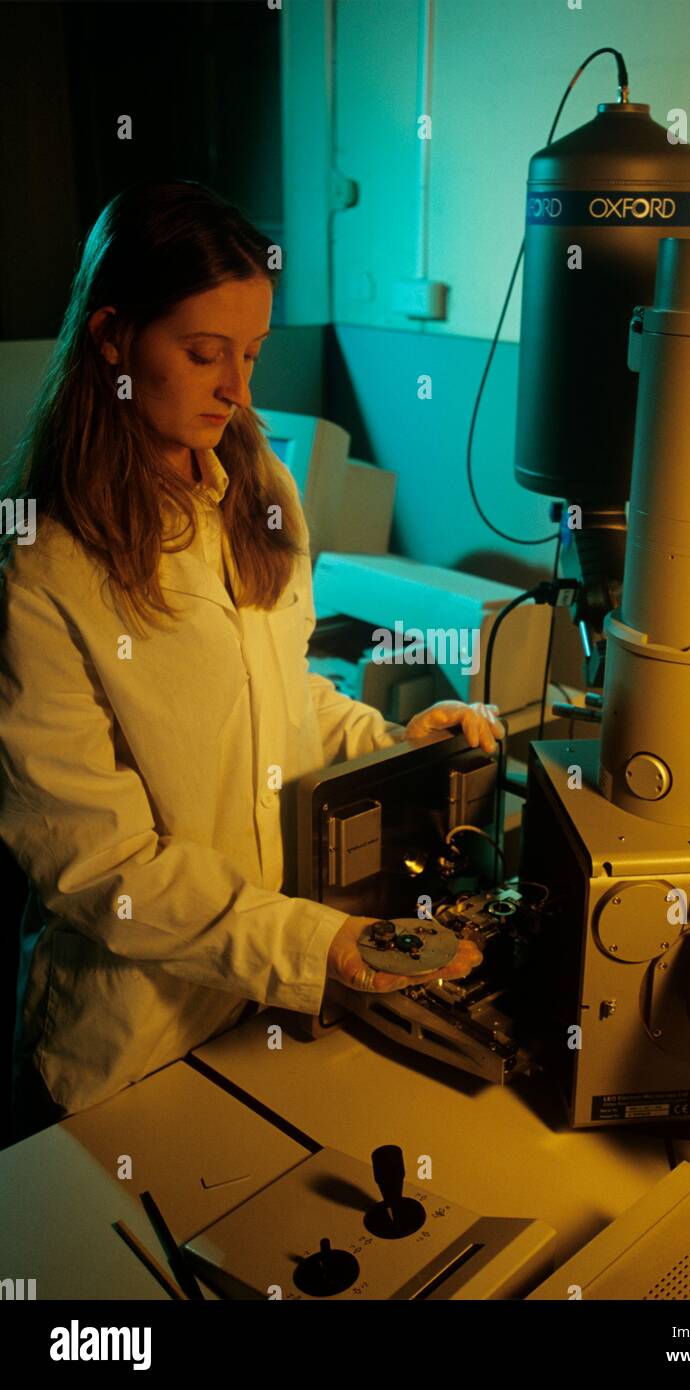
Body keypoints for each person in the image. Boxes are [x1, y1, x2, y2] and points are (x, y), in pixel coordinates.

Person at [0, 181, 501, 1141]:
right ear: (111, 338)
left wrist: (391, 741)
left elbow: (281, 694)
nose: (237, 389)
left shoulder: (258, 490)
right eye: (203, 354)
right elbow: (100, 866)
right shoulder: (45, 569)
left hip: (265, 1004)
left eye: (252, 354)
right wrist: (320, 945)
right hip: (131, 1044)